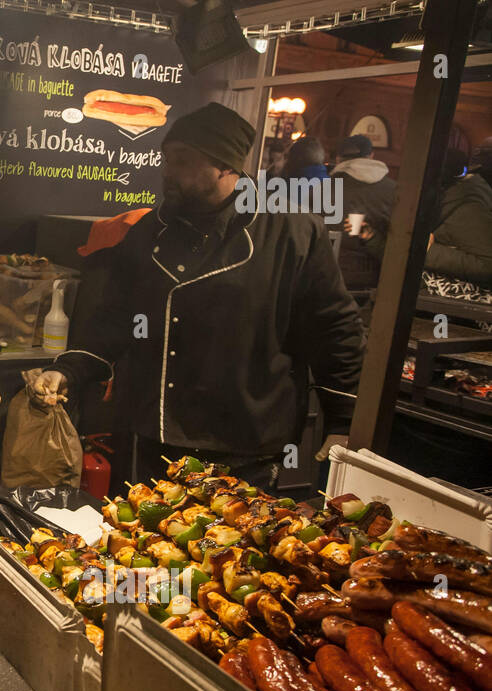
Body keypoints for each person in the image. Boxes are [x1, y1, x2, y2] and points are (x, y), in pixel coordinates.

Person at [27, 103, 364, 487]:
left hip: (242, 445)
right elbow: (114, 319)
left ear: (226, 166)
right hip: (149, 435)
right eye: (166, 159)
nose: (167, 172)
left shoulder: (293, 233)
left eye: (183, 160)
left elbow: (335, 328)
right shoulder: (149, 231)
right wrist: (68, 369)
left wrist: (343, 422)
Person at [331, 134, 396, 292]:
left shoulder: (321, 189)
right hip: (373, 278)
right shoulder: (394, 190)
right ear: (371, 156)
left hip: (328, 274)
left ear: (339, 158)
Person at [424, 149, 492, 291]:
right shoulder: (460, 195)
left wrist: (430, 251)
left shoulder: (468, 208)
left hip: (457, 299)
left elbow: (488, 265)